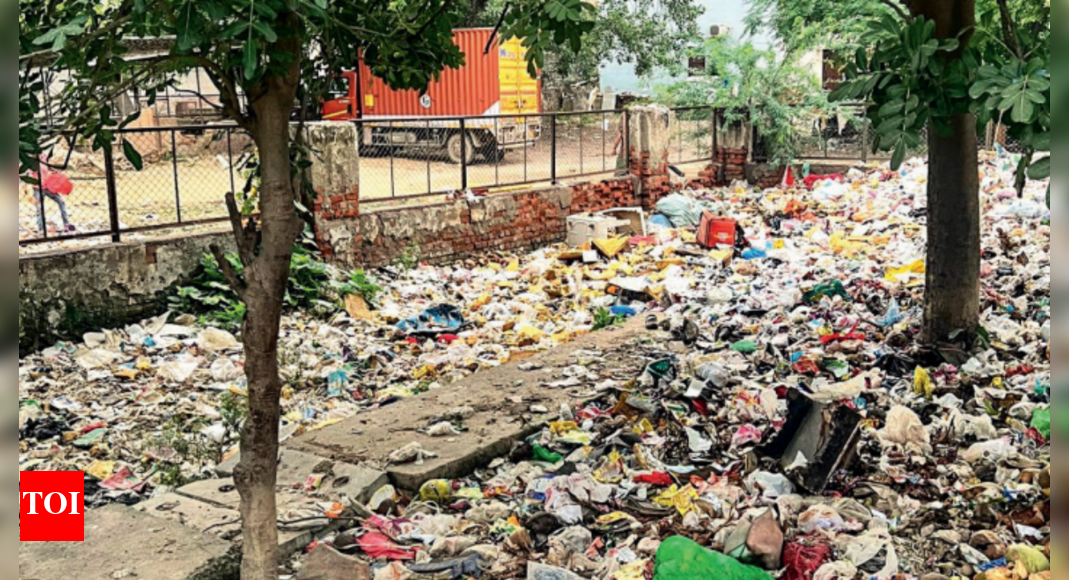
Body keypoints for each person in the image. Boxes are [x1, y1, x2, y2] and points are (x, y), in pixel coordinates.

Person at [30, 155, 75, 235]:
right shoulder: (30, 159)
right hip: (37, 188)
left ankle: (66, 224)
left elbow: (47, 167)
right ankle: (41, 229)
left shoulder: (43, 156)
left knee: (61, 202)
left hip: (48, 186)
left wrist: (55, 172)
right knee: (39, 209)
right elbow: (28, 174)